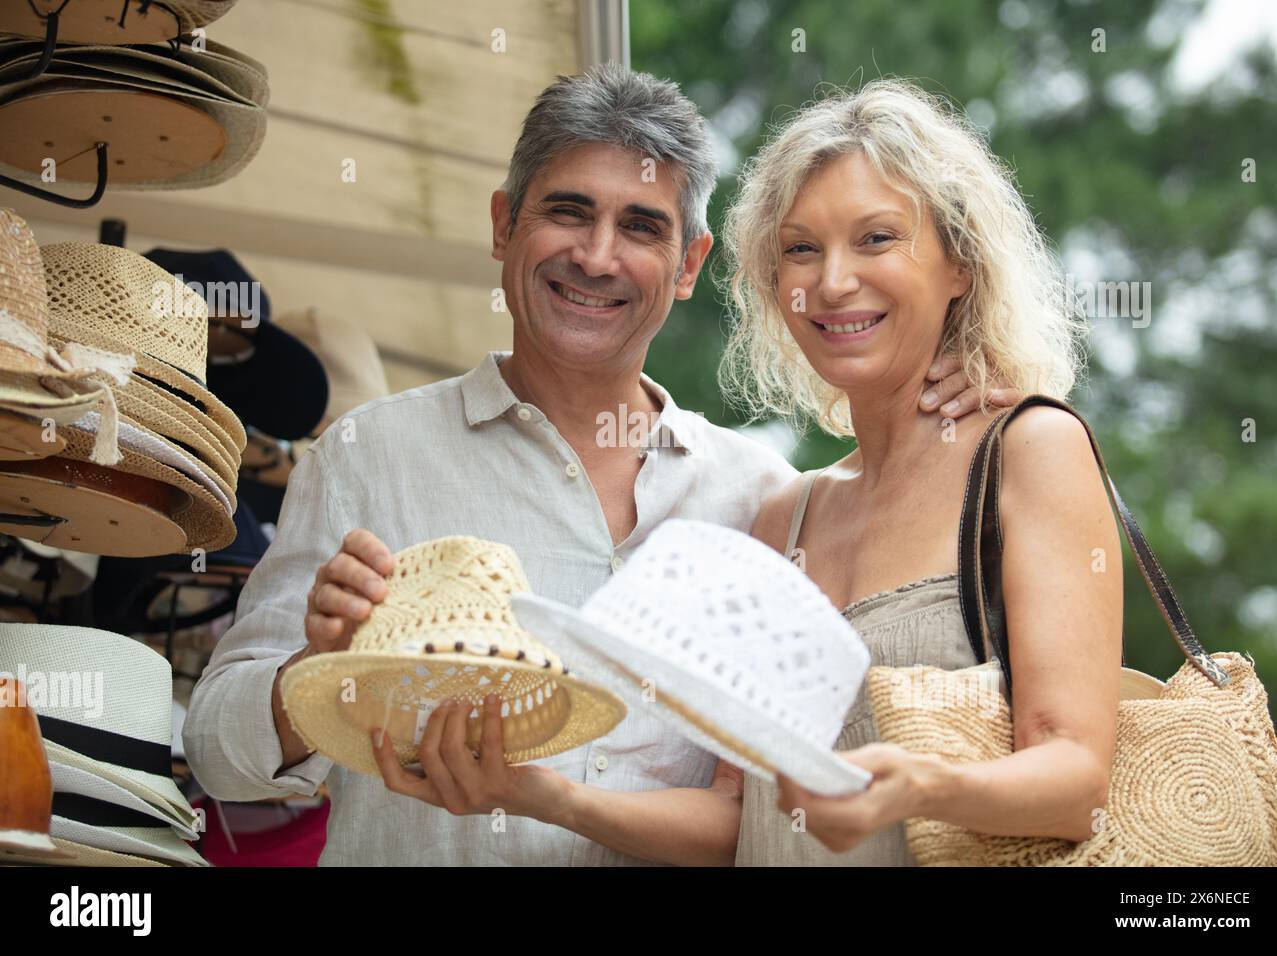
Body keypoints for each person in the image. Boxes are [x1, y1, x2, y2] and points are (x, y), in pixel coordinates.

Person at [183, 64, 1009, 866]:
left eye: (643, 226)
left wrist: (953, 390)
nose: (597, 256)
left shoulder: (761, 498)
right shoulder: (370, 455)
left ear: (689, 264)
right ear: (504, 224)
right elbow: (217, 752)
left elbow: (754, 823)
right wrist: (314, 673)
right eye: (568, 212)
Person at [717, 79, 1123, 865]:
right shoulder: (782, 519)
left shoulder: (1029, 451)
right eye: (801, 248)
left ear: (960, 264)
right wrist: (532, 792)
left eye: (876, 239)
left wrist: (924, 788)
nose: (832, 281)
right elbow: (734, 819)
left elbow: (1078, 781)